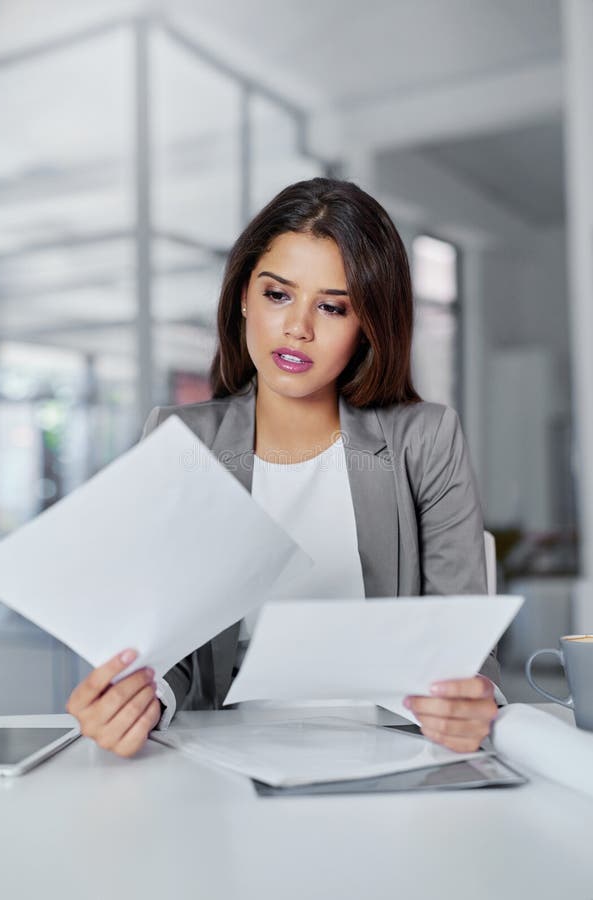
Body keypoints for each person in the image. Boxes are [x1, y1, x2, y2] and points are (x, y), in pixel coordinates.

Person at [66, 177, 500, 758]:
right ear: (244, 294)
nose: (299, 327)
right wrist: (140, 701)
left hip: (393, 755)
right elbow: (167, 658)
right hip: (223, 763)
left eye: (332, 306)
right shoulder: (180, 441)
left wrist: (473, 701)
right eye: (278, 295)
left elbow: (464, 645)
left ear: (367, 324)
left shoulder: (424, 438)